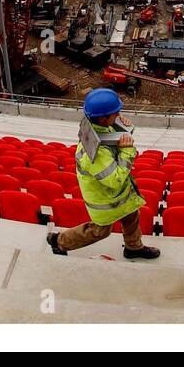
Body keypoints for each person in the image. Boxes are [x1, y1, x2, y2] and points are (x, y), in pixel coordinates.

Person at [48, 88, 161, 260]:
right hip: (106, 201)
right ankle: (59, 241)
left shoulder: (96, 124)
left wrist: (120, 125)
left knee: (131, 215)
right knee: (99, 231)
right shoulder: (97, 153)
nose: (119, 115)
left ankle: (133, 247)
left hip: (117, 197)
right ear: (103, 118)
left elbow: (110, 132)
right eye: (115, 114)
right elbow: (115, 179)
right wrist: (128, 151)